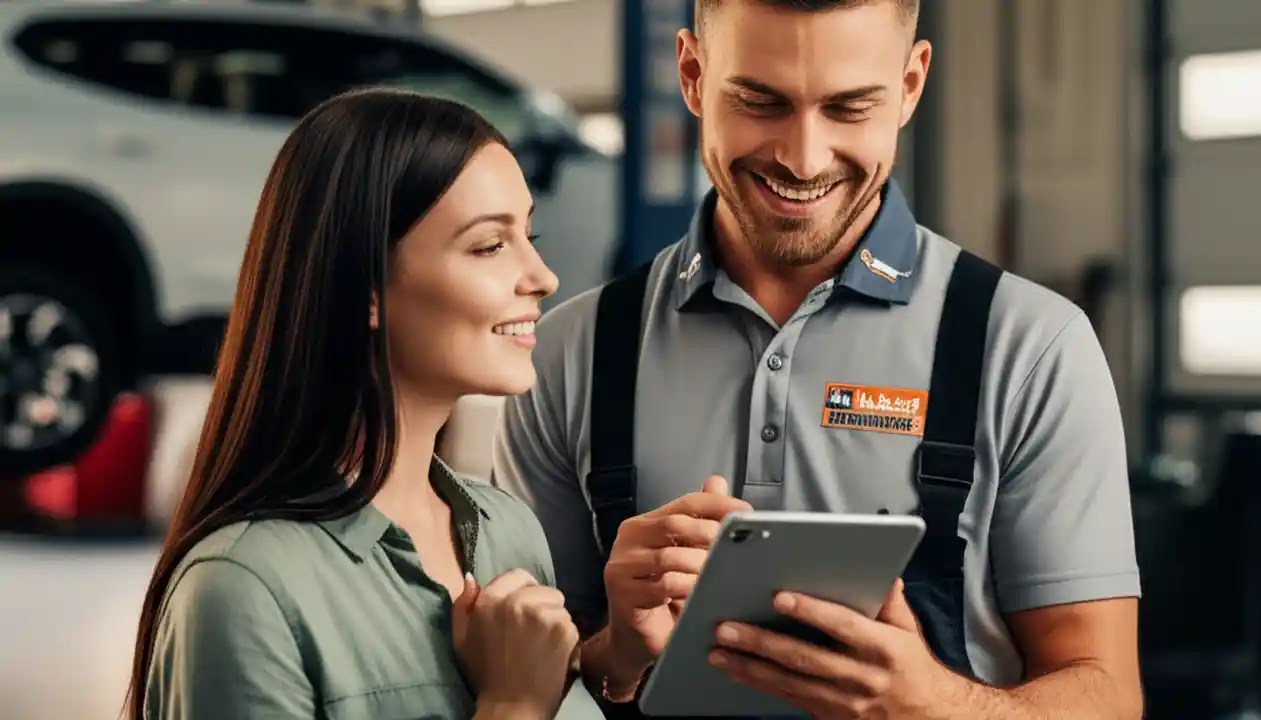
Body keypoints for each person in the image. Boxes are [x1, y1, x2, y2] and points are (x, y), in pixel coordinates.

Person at [493, 1, 1144, 717]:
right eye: (760, 102)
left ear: (910, 84)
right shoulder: (568, 354)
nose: (802, 158)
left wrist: (931, 704)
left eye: (848, 108)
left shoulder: (1031, 349)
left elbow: (1108, 696)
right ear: (692, 75)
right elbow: (515, 682)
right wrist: (613, 651)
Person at [125, 88, 605, 720]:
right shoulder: (242, 589)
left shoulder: (509, 532)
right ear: (366, 290)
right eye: (490, 245)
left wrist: (617, 654)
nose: (543, 276)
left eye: (529, 234)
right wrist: (513, 706)